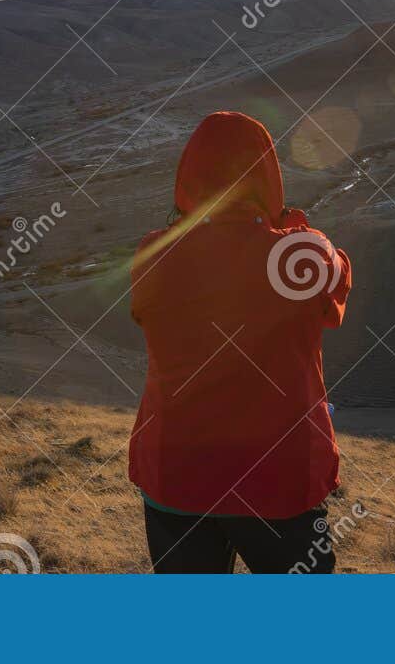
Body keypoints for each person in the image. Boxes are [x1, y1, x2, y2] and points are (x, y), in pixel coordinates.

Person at [128, 111, 352, 573]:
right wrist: (280, 222)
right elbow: (337, 276)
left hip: (177, 474)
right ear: (268, 175)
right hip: (280, 481)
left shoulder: (154, 255)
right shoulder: (299, 254)